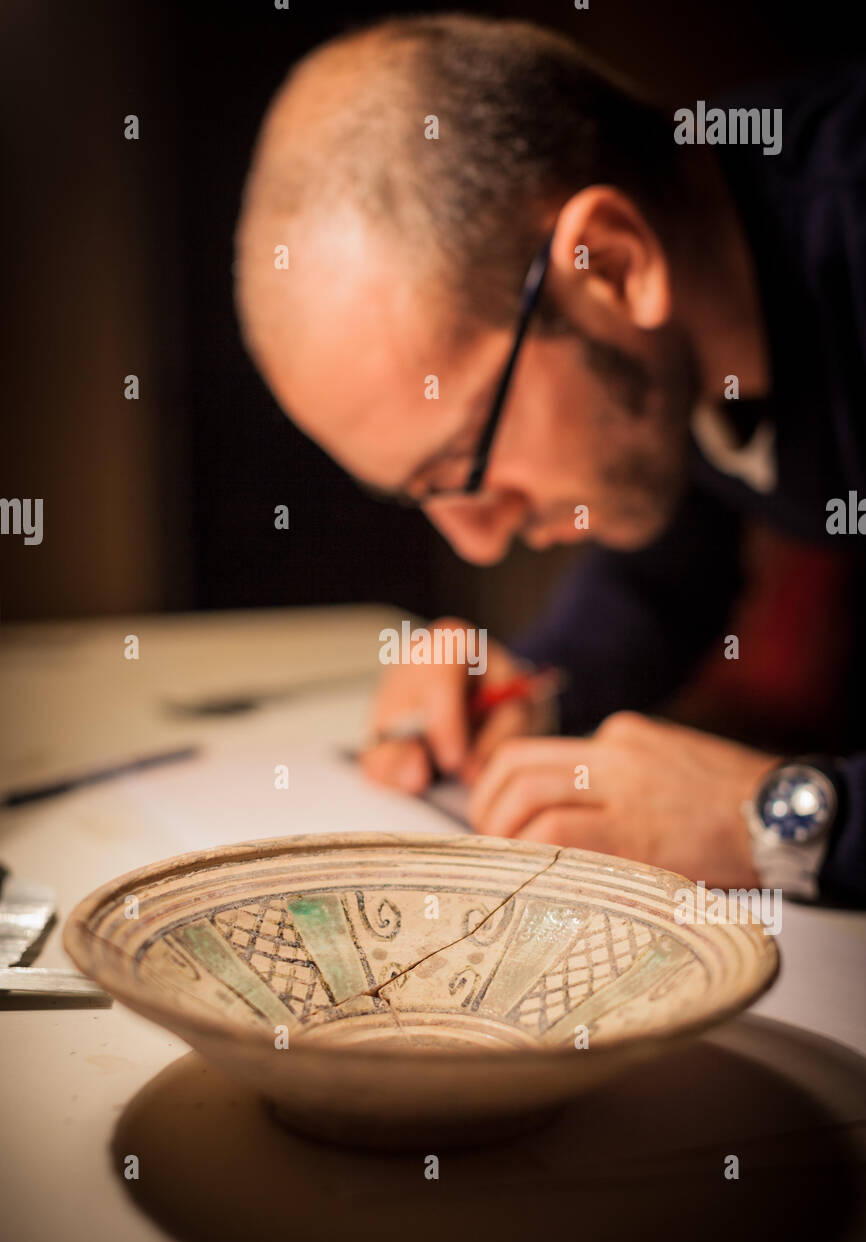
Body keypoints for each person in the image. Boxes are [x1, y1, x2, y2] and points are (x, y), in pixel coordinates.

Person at [235, 14, 866, 903]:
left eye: (464, 458)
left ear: (606, 263)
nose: (479, 545)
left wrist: (782, 818)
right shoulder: (690, 319)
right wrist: (531, 690)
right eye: (423, 496)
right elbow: (669, 564)